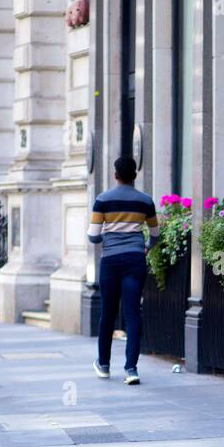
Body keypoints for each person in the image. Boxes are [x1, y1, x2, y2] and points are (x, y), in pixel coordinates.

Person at [87, 156, 159, 385]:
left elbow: (93, 236)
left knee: (107, 313)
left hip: (110, 261)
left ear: (115, 174)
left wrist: (109, 232)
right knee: (132, 314)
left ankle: (104, 364)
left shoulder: (102, 200)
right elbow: (155, 234)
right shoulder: (145, 201)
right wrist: (145, 246)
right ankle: (131, 369)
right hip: (135, 259)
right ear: (134, 176)